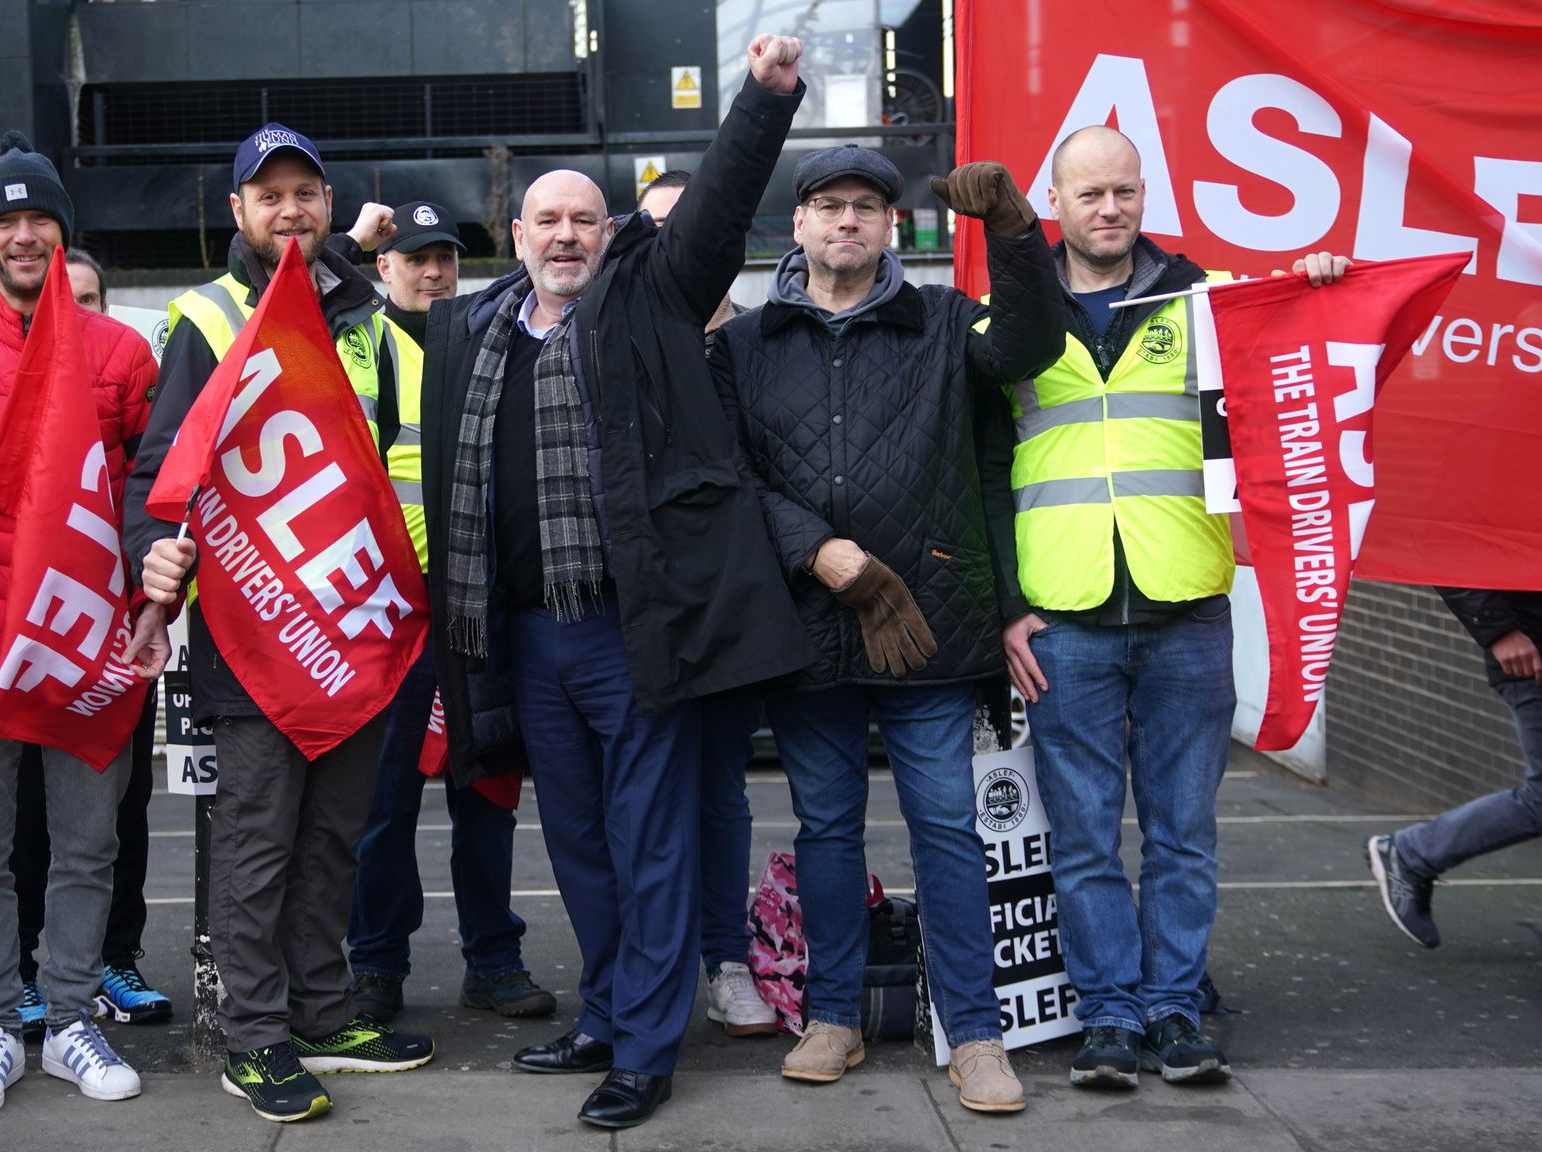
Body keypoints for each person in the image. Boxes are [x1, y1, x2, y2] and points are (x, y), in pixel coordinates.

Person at [420, 34, 816, 1130]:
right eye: (543, 220)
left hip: (635, 628)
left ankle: (643, 1049)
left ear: (607, 234)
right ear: (515, 236)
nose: (561, 235)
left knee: (650, 844)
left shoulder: (650, 298)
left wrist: (761, 100)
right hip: (531, 639)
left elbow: (715, 210)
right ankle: (603, 1013)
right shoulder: (472, 331)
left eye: (580, 220)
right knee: (580, 847)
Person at [998, 124, 1347, 1090]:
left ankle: (1176, 1010)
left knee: (1184, 834)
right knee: (1082, 838)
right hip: (1062, 615)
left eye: (1125, 192)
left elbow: (1296, 320)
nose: (1109, 210)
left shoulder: (1206, 297)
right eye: (1089, 195)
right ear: (1053, 206)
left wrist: (1319, 277)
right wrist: (1004, 607)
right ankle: (1108, 1014)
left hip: (1188, 603)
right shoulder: (1012, 319)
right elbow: (983, 469)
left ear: (1143, 195)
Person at [712, 146, 1061, 1110]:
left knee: (947, 829)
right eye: (830, 206)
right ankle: (833, 1018)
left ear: (891, 228)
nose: (849, 222)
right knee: (827, 828)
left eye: (868, 207)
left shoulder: (945, 321)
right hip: (810, 623)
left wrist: (1017, 232)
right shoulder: (747, 345)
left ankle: (977, 1035)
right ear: (800, 226)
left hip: (934, 621)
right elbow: (734, 477)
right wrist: (814, 548)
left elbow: (1031, 348)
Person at [125, 122, 436, 1125]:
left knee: (333, 835)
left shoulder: (369, 324)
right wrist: (155, 548)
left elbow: (385, 466)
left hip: (352, 633)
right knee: (258, 841)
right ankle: (254, 1039)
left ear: (329, 206)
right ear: (238, 213)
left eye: (306, 193)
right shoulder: (206, 321)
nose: (291, 210)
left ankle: (323, 1010)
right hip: (252, 634)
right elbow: (158, 471)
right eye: (270, 196)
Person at [0, 132, 162, 1120]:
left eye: (38, 219)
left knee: (85, 849)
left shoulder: (121, 353)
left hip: (85, 651)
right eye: (4, 221)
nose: (22, 235)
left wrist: (152, 588)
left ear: (63, 234)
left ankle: (66, 1021)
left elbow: (151, 491)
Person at [340, 200, 557, 1025]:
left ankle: (493, 960)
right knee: (382, 807)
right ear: (384, 267)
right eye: (416, 258)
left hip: (474, 612)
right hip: (389, 619)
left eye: (446, 258)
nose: (435, 271)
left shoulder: (487, 340)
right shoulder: (360, 344)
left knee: (487, 798)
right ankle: (377, 966)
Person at [3, 243, 174, 1036]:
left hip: (115, 625)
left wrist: (152, 598)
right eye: (59, 296)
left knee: (119, 809)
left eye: (89, 298)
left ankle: (115, 958)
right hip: (24, 628)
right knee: (25, 816)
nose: (72, 311)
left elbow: (160, 484)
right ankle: (27, 974)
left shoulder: (129, 368)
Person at [634, 167, 776, 1038]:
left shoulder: (759, 345)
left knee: (720, 795)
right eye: (653, 230)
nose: (676, 245)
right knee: (640, 803)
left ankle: (725, 959)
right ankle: (640, 976)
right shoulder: (613, 337)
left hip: (731, 612)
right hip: (641, 611)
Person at [1370, 589, 1542, 946]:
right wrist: (1499, 630)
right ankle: (1413, 852)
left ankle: (1413, 852)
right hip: (1531, 650)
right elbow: (1450, 543)